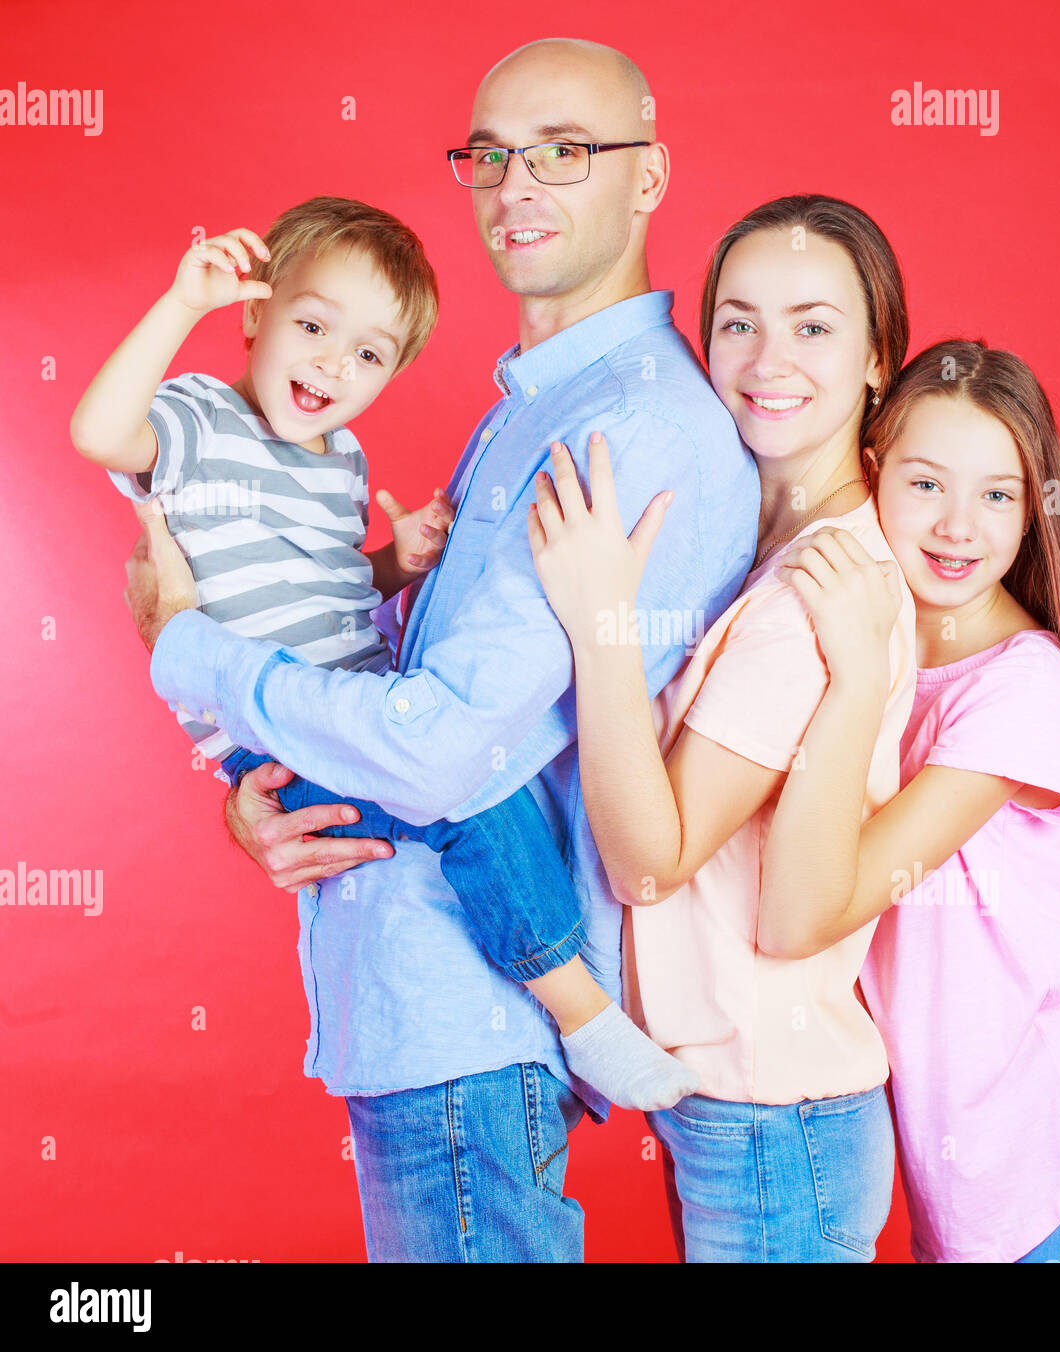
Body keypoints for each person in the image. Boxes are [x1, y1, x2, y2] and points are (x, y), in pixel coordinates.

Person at [121, 38, 760, 1261]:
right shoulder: (539, 404)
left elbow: (437, 754)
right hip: (422, 999)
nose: (515, 184)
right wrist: (259, 794)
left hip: (471, 1016)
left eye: (563, 151)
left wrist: (193, 657)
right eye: (491, 155)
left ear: (648, 175)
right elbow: (388, 679)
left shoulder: (631, 421)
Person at [77, 195, 697, 1114]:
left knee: (495, 787)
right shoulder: (199, 418)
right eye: (313, 324)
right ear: (253, 314)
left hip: (356, 697)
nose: (333, 361)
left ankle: (580, 998)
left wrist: (395, 566)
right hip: (278, 726)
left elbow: (330, 589)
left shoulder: (341, 460)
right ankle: (584, 1015)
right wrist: (181, 304)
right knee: (467, 799)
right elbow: (97, 433)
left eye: (368, 353)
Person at [526, 194, 917, 1261]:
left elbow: (651, 860)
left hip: (773, 1113)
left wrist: (601, 626)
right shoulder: (744, 536)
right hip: (734, 1103)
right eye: (737, 321)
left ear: (880, 355)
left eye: (813, 325)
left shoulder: (818, 588)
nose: (764, 357)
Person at [759, 338, 1060, 1262]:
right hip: (968, 1161)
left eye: (998, 495)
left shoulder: (1021, 692)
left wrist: (845, 678)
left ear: (1035, 514)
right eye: (926, 484)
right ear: (871, 474)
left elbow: (812, 908)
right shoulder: (890, 653)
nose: (960, 526)